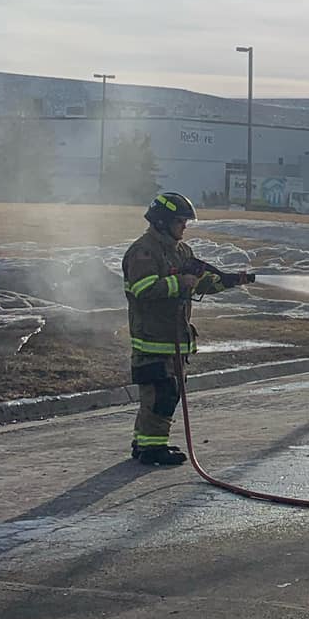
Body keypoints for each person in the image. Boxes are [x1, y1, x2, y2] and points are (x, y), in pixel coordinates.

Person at [121, 192, 254, 466]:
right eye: (180, 221)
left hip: (174, 339)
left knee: (164, 394)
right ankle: (151, 449)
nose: (184, 226)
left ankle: (144, 443)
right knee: (160, 394)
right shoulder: (144, 251)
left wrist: (230, 280)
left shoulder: (181, 251)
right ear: (162, 221)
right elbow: (143, 289)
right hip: (151, 339)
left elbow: (200, 283)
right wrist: (180, 282)